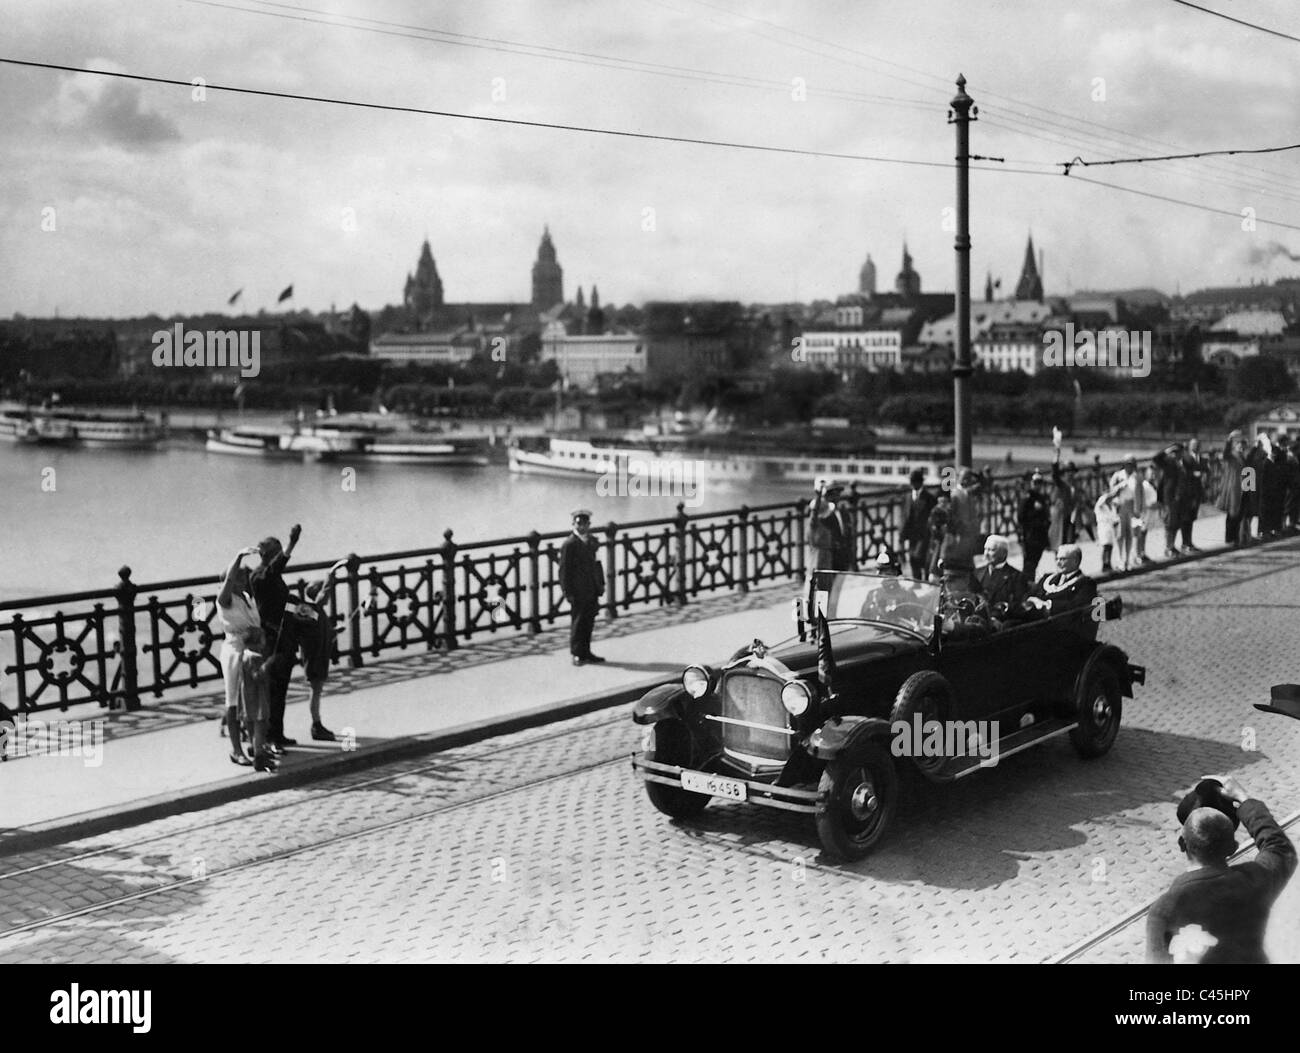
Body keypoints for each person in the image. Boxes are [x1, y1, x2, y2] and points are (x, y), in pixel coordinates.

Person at [1147, 774, 1296, 964]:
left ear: (1182, 844)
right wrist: (1243, 798)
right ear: (1234, 848)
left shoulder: (1163, 910)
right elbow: (1279, 848)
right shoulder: (1255, 880)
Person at [215, 546, 277, 771]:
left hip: (251, 653)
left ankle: (254, 746)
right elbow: (230, 578)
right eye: (239, 576)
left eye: (243, 576)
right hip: (234, 652)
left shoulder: (247, 598)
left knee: (251, 701)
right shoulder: (225, 600)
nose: (243, 579)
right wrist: (239, 556)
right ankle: (236, 749)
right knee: (233, 701)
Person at [250, 525, 303, 752]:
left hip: (284, 638)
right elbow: (273, 571)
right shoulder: (259, 576)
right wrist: (291, 545)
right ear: (270, 556)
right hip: (271, 640)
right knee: (271, 690)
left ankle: (278, 734)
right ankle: (270, 738)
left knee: (281, 689)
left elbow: (285, 599)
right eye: (278, 553)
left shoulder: (273, 576)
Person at [1015, 543, 1098, 636]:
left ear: (1075, 561)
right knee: (1009, 625)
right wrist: (1032, 600)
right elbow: (1029, 595)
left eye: (1062, 559)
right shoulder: (1047, 578)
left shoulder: (1086, 583)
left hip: (1059, 628)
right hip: (1036, 621)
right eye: (1057, 559)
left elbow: (1075, 607)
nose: (1058, 562)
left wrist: (1047, 605)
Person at [559, 509, 605, 665]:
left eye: (585, 523)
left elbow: (598, 564)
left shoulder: (592, 541)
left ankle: (587, 651)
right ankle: (577, 653)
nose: (582, 526)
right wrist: (567, 591)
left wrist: (601, 584)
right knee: (578, 622)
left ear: (589, 525)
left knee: (589, 621)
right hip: (577, 591)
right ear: (573, 524)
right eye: (579, 523)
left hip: (592, 588)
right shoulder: (569, 544)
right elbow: (564, 570)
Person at [1152, 441, 1196, 557]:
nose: (1176, 454)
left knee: (1177, 523)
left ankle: (1173, 546)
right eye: (1174, 452)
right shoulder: (1168, 462)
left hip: (1182, 497)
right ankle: (1168, 547)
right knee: (1170, 523)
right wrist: (1167, 450)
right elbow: (1156, 459)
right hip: (1170, 498)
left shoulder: (1185, 463)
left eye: (1178, 452)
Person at [975, 534, 1026, 619]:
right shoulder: (977, 573)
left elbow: (1018, 607)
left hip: (1001, 622)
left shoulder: (1016, 577)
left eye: (991, 550)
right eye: (985, 549)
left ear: (1004, 553)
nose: (986, 554)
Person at [899, 469, 937, 580]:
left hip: (925, 536)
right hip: (911, 536)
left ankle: (925, 582)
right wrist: (901, 536)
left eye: (913, 481)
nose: (911, 484)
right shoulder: (907, 497)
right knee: (912, 559)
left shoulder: (929, 498)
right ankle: (917, 582)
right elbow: (903, 517)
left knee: (922, 559)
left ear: (919, 482)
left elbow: (933, 518)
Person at [1217, 430, 1251, 548]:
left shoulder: (1244, 457)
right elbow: (1225, 452)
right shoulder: (1231, 456)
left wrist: (1250, 489)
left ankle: (1236, 538)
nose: (1242, 446)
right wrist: (1229, 438)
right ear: (1236, 445)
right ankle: (1229, 539)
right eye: (1239, 444)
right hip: (1234, 490)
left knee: (1240, 515)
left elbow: (1248, 473)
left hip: (1244, 490)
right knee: (1232, 515)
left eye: (1243, 444)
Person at [1016, 470, 1051, 581]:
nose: (1038, 485)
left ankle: (1029, 583)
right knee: (1029, 563)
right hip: (1030, 536)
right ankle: (1026, 584)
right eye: (1035, 482)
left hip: (1040, 535)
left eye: (1040, 482)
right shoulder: (1027, 498)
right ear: (1031, 483)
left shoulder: (1041, 497)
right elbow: (1021, 517)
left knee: (1035, 561)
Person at [806, 480, 845, 572]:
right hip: (817, 561)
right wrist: (818, 495)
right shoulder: (814, 524)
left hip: (827, 560)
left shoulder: (825, 524)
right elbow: (814, 513)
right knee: (817, 584)